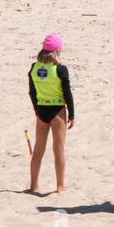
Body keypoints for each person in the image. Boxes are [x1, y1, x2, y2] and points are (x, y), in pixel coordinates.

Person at [27, 33, 75, 195]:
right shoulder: (61, 69)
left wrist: (37, 110)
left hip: (41, 110)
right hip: (57, 111)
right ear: (57, 50)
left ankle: (33, 185)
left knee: (38, 149)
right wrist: (72, 114)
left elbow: (31, 92)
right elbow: (67, 94)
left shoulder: (34, 68)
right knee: (59, 149)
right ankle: (60, 186)